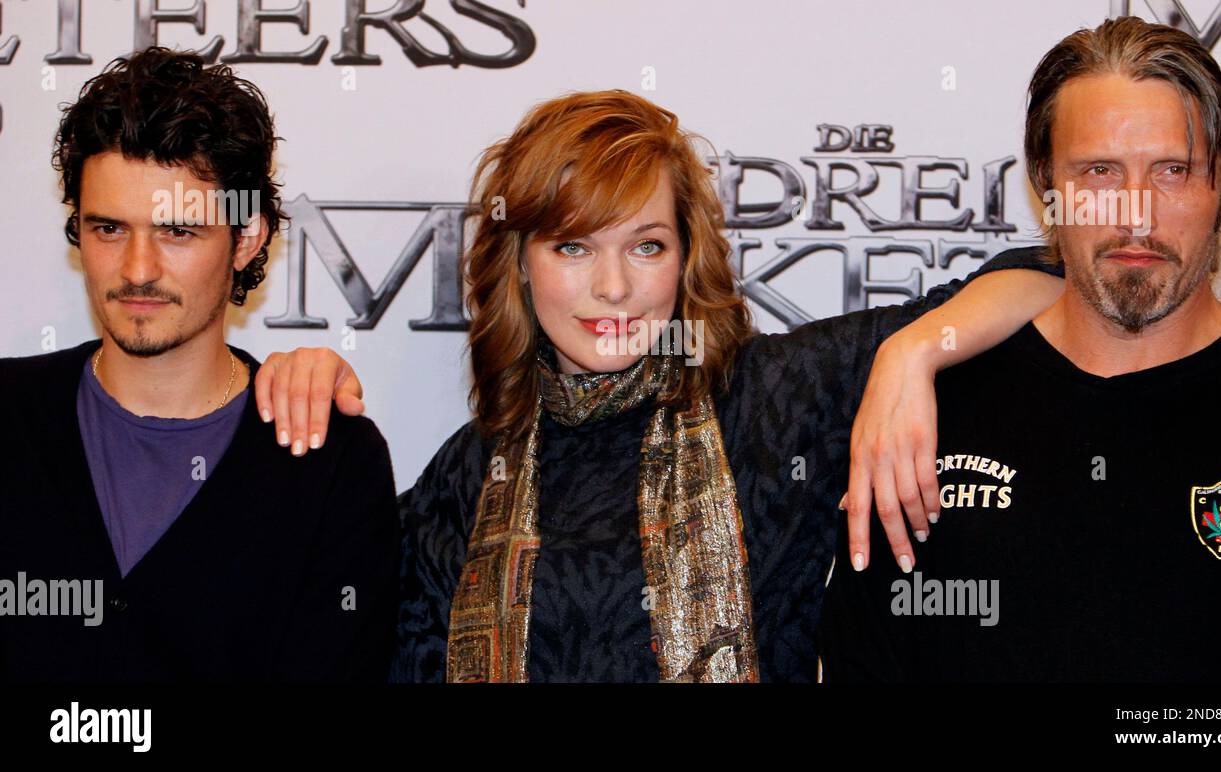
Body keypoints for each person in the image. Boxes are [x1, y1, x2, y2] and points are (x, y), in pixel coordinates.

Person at [258, 89, 1066, 681]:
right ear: (520, 264)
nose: (612, 287)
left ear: (685, 259)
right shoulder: (466, 477)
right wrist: (296, 377)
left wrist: (910, 353)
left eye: (645, 246)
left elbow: (1049, 274)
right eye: (573, 247)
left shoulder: (776, 398)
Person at [820, 16, 1221, 682]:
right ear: (1047, 182)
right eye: (1100, 172)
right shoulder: (922, 412)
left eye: (1173, 171)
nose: (1136, 215)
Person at [0, 48, 399, 681]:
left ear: (245, 239)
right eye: (109, 229)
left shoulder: (327, 457)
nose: (137, 269)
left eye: (177, 232)